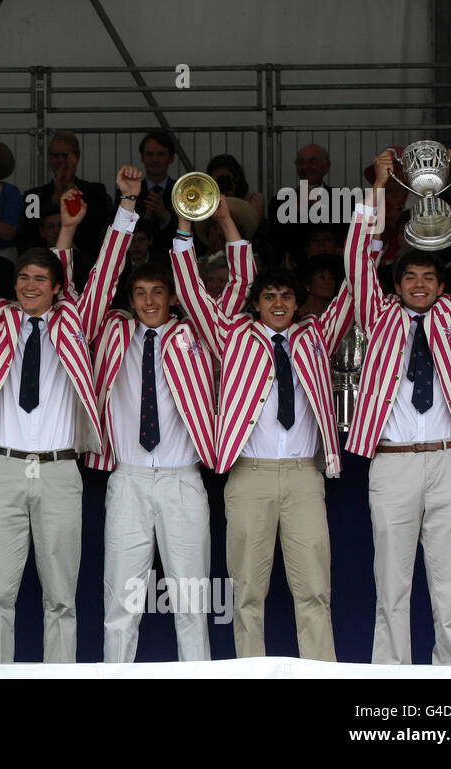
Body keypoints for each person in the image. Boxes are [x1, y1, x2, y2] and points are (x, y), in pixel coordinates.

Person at [171, 198, 354, 661]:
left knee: (314, 591)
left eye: (287, 296)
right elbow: (191, 292)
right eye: (269, 296)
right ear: (256, 303)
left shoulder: (315, 335)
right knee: (247, 594)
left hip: (303, 477)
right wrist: (199, 225)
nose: (278, 303)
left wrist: (369, 214)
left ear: (299, 302)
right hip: (249, 475)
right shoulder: (232, 336)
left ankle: (320, 675)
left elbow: (355, 290)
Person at [0, 174, 111, 664]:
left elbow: (102, 277)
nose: (29, 285)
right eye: (23, 278)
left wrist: (119, 210)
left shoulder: (75, 321)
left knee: (61, 597)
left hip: (61, 470)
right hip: (4, 470)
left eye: (41, 279)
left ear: (58, 288)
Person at [345, 149, 451, 666]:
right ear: (397, 285)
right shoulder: (378, 317)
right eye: (410, 278)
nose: (420, 285)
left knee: (450, 582)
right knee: (392, 582)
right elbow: (355, 262)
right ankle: (391, 679)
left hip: (448, 458)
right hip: (391, 461)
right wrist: (381, 189)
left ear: (441, 286)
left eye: (429, 278)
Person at [69, 171, 218, 663]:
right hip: (128, 478)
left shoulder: (196, 334)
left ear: (172, 297)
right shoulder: (111, 332)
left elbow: (200, 290)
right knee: (121, 602)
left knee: (192, 602)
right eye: (140, 293)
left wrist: (183, 226)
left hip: (182, 479)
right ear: (129, 300)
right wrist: (127, 205)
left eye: (159, 292)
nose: (150, 301)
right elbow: (100, 281)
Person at [20, 130, 113, 286]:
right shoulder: (33, 196)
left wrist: (71, 187)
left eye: (65, 156)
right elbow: (29, 230)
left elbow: (98, 223)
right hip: (43, 265)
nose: (60, 161)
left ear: (77, 157)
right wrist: (55, 197)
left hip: (87, 264)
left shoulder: (96, 191)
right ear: (49, 158)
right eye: (56, 156)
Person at [206, 154, 266, 223]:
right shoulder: (206, 202)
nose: (222, 184)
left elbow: (253, 224)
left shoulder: (254, 199)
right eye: (217, 180)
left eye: (225, 179)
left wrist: (230, 199)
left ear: (236, 177)